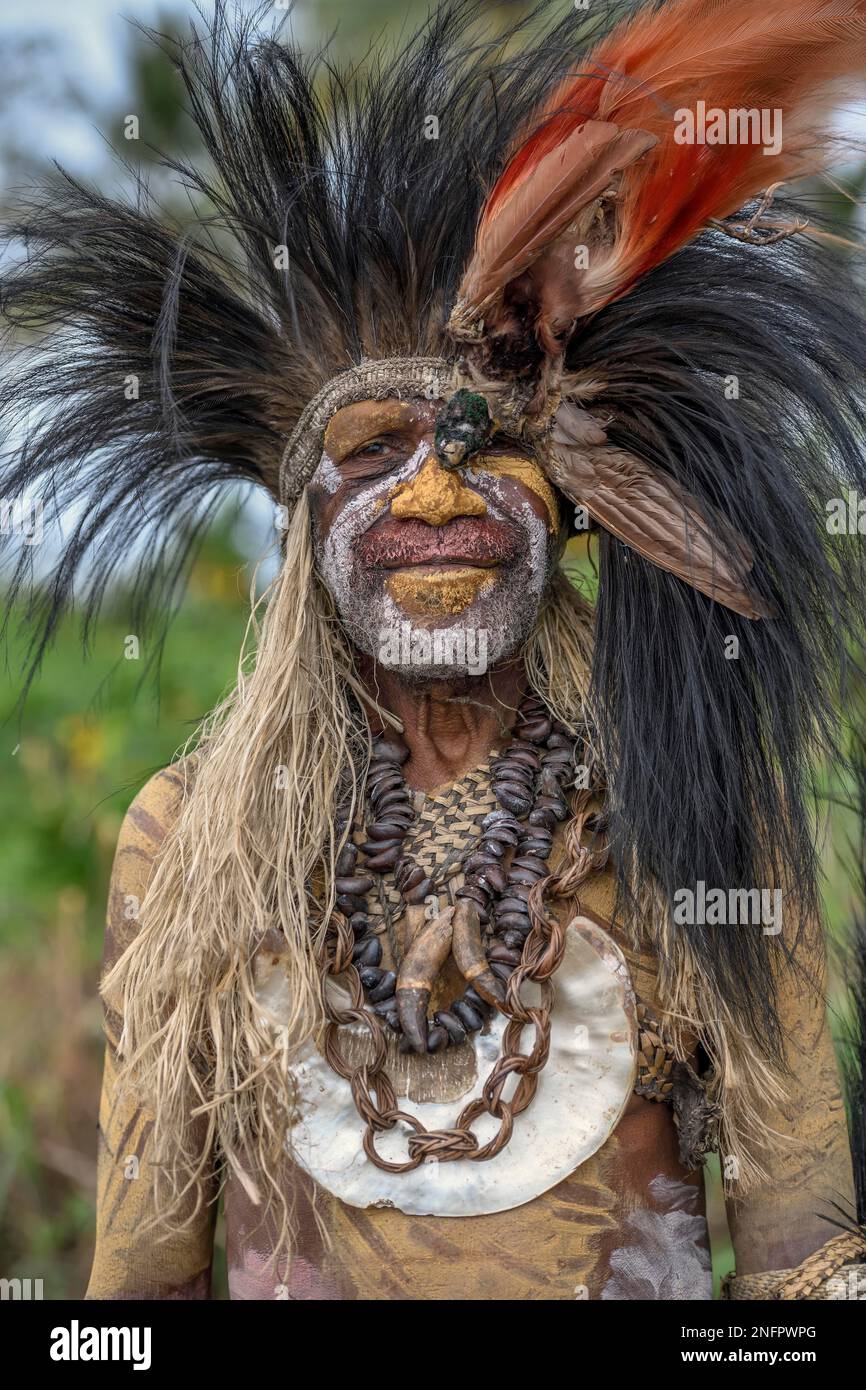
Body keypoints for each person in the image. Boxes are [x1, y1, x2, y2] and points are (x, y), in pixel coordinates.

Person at [3, 0, 866, 1300]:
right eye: (370, 456)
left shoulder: (694, 822)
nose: (429, 497)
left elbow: (806, 1268)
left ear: (579, 502)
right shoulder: (190, 843)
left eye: (479, 449)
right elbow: (130, 1304)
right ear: (301, 534)